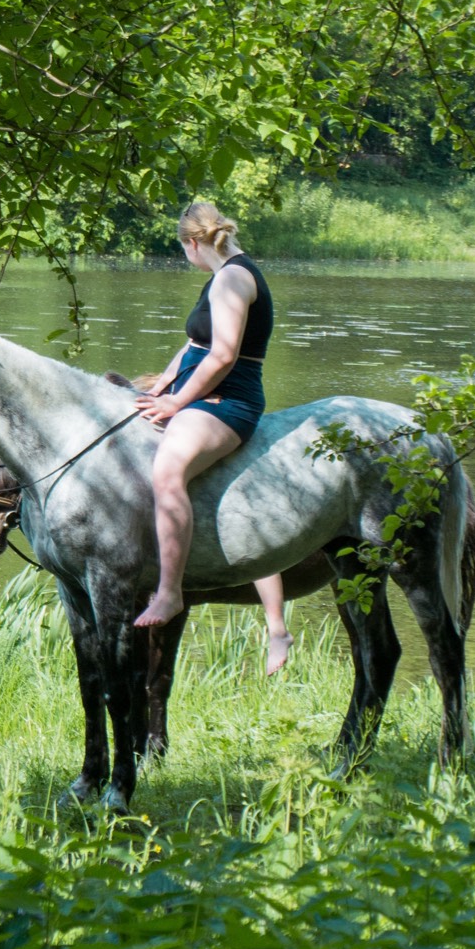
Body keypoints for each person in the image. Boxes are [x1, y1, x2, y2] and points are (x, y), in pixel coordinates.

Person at [133, 201, 292, 675]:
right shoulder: (221, 276)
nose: (186, 257)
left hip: (227, 402)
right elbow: (196, 344)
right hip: (199, 392)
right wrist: (163, 381)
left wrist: (176, 404)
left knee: (167, 472)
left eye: (184, 249)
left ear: (194, 242)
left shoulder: (232, 280)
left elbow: (223, 357)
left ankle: (169, 592)